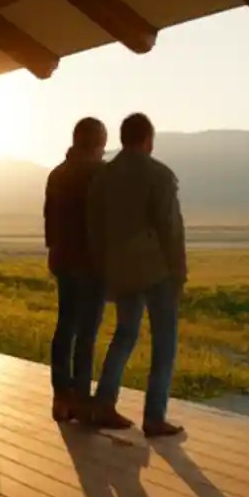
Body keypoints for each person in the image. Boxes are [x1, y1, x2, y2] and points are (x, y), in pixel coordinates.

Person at [87, 113, 186, 438]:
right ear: (147, 140)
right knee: (164, 342)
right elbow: (170, 229)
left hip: (119, 269)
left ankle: (104, 402)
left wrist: (104, 269)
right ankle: (154, 417)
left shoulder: (104, 177)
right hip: (156, 270)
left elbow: (94, 228)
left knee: (125, 334)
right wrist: (178, 272)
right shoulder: (159, 175)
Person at [44, 117, 109, 422]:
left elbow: (49, 219)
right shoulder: (102, 174)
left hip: (63, 260)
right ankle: (81, 397)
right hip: (92, 263)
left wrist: (55, 249)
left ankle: (61, 397)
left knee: (65, 326)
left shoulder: (57, 174)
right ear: (99, 143)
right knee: (87, 332)